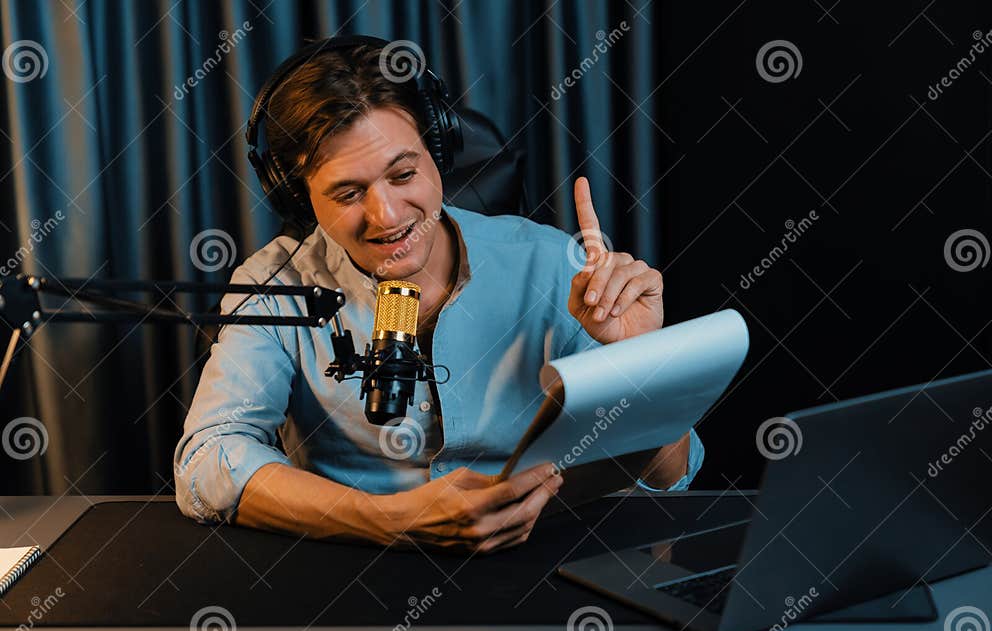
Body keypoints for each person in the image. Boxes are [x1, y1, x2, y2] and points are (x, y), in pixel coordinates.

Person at [173, 38, 703, 554]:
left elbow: (670, 478)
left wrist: (639, 364)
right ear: (299, 196)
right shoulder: (273, 287)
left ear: (438, 152)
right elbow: (207, 461)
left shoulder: (551, 263)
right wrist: (383, 521)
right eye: (348, 193)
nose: (387, 216)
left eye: (403, 174)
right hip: (355, 568)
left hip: (536, 565)